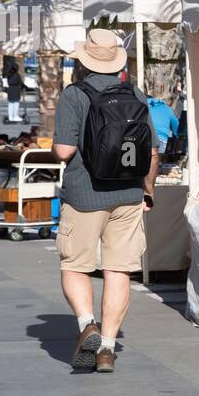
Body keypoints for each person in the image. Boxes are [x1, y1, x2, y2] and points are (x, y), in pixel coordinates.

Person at [52, 30, 158, 373]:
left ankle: (88, 326)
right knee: (118, 270)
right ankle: (108, 349)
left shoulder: (74, 95)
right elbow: (153, 151)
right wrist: (147, 191)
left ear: (83, 60)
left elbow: (64, 151)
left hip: (86, 194)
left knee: (75, 264)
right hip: (128, 195)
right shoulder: (135, 93)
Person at [4, 57, 25, 123]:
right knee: (16, 103)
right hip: (15, 90)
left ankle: (11, 117)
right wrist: (24, 87)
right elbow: (20, 83)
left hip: (10, 89)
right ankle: (15, 116)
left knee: (10, 103)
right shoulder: (17, 75)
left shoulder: (9, 75)